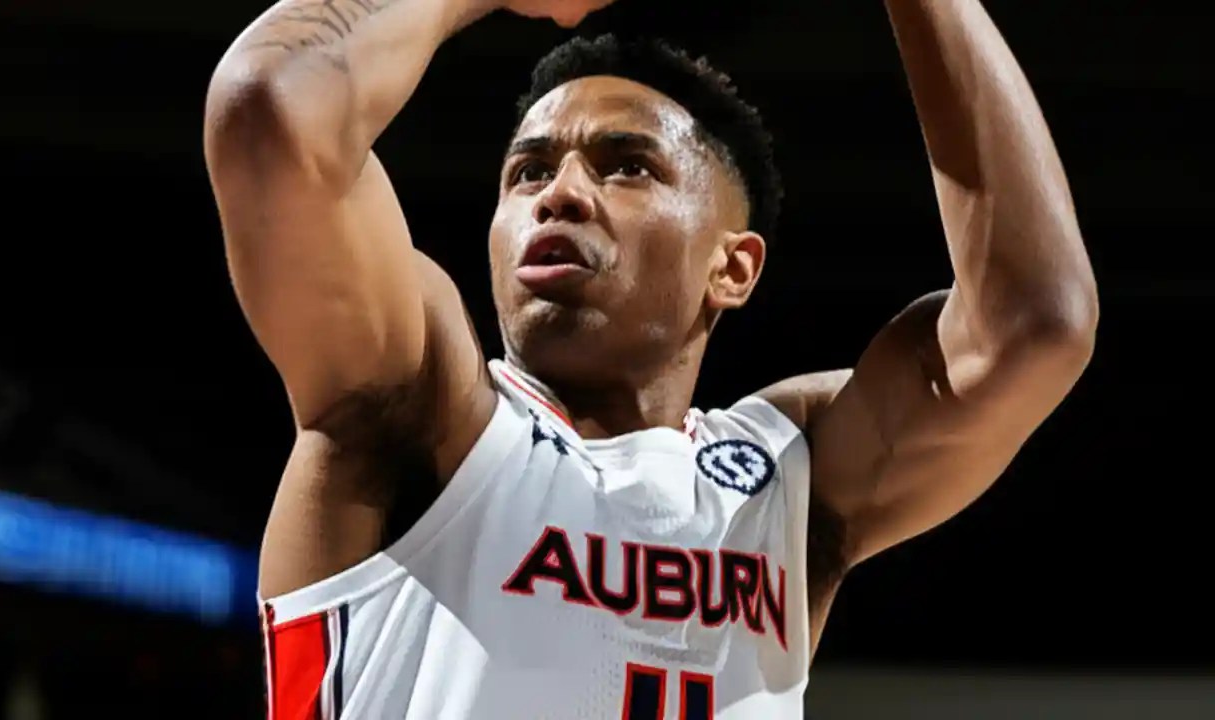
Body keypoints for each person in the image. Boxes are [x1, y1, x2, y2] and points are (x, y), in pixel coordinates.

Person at [203, 0, 1098, 717]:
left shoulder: (783, 475)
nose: (559, 193)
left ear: (732, 266)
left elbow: (1036, 325)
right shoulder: (425, 411)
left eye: (625, 165)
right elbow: (270, 109)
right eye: (526, 171)